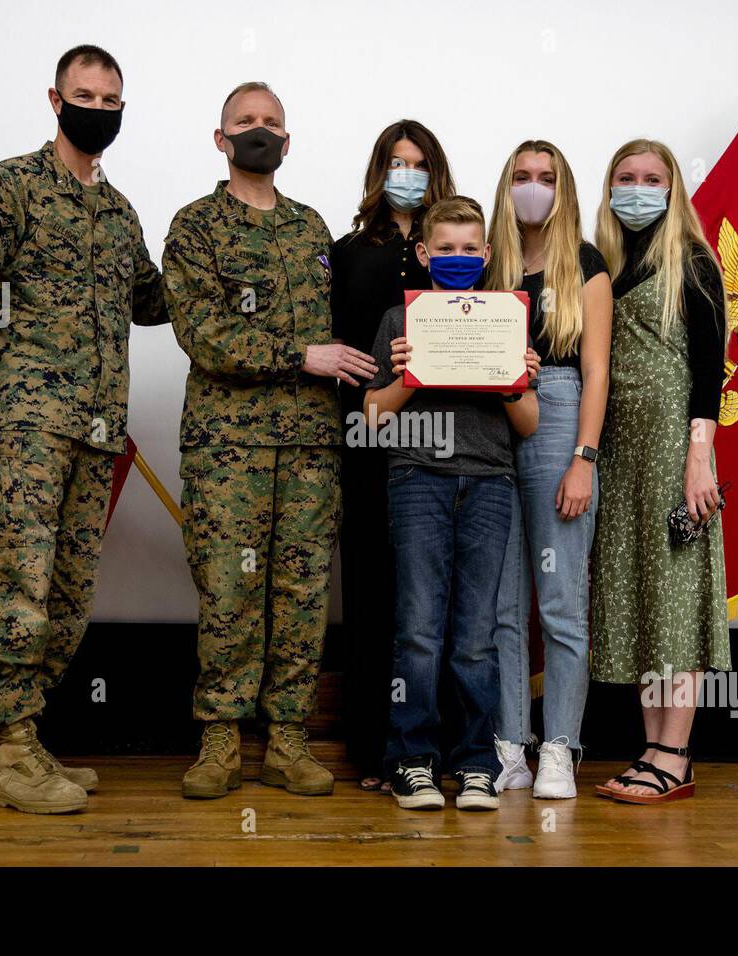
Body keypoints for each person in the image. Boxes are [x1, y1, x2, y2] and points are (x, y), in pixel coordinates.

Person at [0, 45, 168, 814]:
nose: (98, 108)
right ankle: (16, 747)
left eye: (110, 98)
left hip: (96, 431)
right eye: (84, 95)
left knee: (65, 594)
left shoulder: (121, 212)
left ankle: (8, 745)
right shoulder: (11, 187)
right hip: (23, 426)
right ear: (56, 99)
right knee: (17, 584)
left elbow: (152, 301)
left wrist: (223, 267)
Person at [164, 81, 378, 800]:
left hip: (312, 448)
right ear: (220, 139)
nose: (259, 132)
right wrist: (302, 354)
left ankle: (288, 737)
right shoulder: (194, 226)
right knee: (229, 591)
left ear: (289, 141)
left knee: (302, 593)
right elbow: (203, 332)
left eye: (271, 123)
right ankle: (220, 737)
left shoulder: (313, 229)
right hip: (230, 449)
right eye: (244, 122)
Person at [365, 196, 541, 812]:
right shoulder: (398, 321)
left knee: (475, 635)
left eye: (471, 249)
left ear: (488, 255)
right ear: (424, 254)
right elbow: (371, 419)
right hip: (418, 479)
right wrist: (406, 380)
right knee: (417, 629)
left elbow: (528, 422)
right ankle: (412, 760)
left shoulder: (507, 321)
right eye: (446, 248)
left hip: (490, 484)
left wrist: (514, 379)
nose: (459, 258)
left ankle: (474, 763)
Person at [589, 139, 730, 805]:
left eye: (652, 178)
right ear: (609, 187)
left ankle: (675, 752)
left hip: (676, 453)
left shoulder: (692, 262)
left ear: (672, 190)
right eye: (626, 178)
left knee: (679, 600)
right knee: (646, 598)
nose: (638, 188)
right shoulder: (607, 264)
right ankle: (649, 748)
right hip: (620, 457)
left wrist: (697, 461)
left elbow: (709, 372)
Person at [329, 120, 456, 792]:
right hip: (369, 438)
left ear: (437, 173)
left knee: (435, 598)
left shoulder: (460, 250)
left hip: (449, 445)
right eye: (396, 163)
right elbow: (336, 347)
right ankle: (375, 746)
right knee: (376, 590)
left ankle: (436, 743)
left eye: (420, 163)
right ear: (380, 171)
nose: (408, 174)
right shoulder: (348, 252)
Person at [486, 140, 612, 799]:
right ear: (505, 186)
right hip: (491, 421)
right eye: (522, 177)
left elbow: (597, 372)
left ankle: (559, 745)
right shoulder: (489, 262)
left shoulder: (584, 265)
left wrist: (582, 461)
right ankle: (511, 745)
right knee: (503, 604)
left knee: (559, 601)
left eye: (546, 178)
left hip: (560, 416)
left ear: (564, 188)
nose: (533, 188)